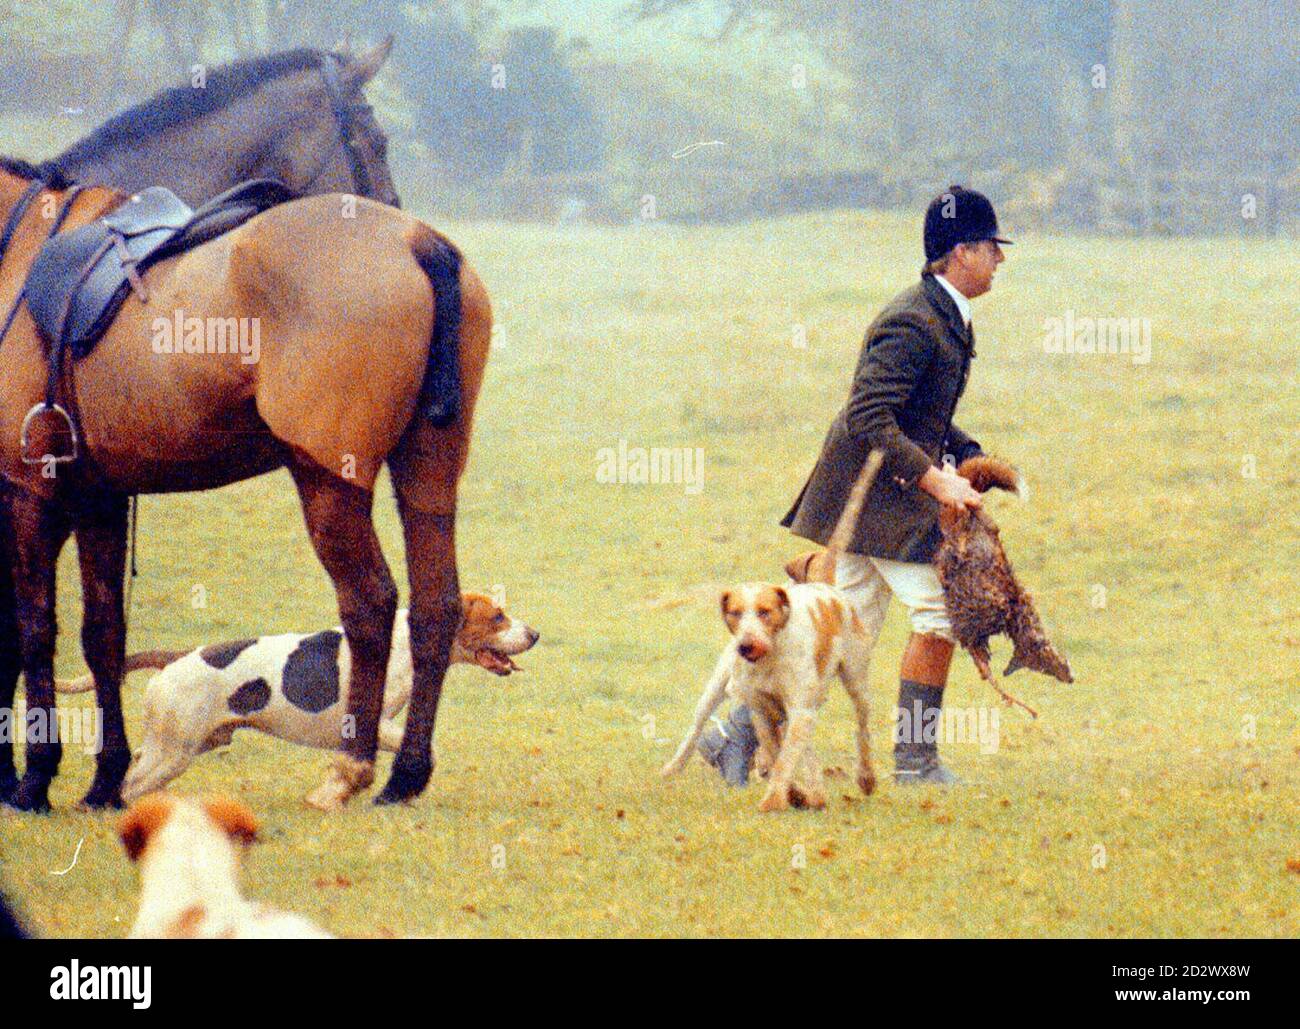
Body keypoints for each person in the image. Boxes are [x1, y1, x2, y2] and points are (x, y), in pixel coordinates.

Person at [700, 185, 1010, 786]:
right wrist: (936, 481)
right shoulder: (914, 320)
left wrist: (967, 452)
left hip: (875, 495)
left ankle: (732, 738)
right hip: (877, 499)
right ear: (961, 252)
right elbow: (868, 415)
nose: (1000, 258)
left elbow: (917, 413)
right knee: (940, 614)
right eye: (991, 247)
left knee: (838, 633)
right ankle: (915, 762)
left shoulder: (942, 313)